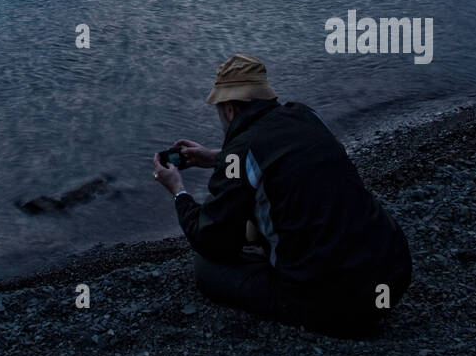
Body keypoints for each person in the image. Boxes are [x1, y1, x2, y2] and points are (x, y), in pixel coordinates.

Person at [152, 55, 412, 338]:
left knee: (206, 266)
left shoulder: (244, 149)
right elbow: (286, 158)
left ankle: (311, 299)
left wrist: (178, 191)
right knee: (274, 211)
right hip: (393, 274)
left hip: (339, 304)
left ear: (229, 109)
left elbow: (209, 239)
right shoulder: (306, 116)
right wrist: (217, 157)